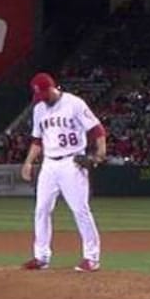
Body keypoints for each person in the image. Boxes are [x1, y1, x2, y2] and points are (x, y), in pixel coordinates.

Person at [21, 72, 106, 271]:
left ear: (53, 88)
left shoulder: (74, 103)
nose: (42, 99)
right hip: (49, 164)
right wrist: (27, 163)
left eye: (44, 94)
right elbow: (37, 140)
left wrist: (99, 154)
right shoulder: (39, 109)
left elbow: (97, 130)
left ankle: (92, 258)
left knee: (80, 210)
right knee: (41, 210)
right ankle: (41, 257)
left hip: (72, 162)